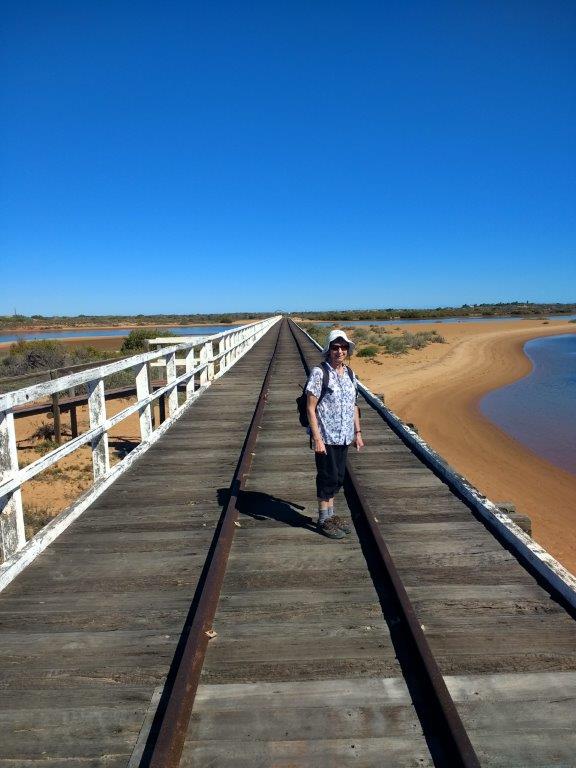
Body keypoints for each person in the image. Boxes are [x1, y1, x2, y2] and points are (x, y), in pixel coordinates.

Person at [306, 329, 364, 539]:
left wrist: (357, 433)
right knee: (327, 477)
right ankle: (323, 519)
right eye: (335, 347)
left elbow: (353, 405)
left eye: (343, 347)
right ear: (328, 350)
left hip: (344, 435)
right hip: (327, 436)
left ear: (348, 350)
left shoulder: (350, 374)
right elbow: (310, 408)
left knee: (338, 477)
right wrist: (317, 439)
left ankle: (331, 515)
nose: (339, 351)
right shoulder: (320, 373)